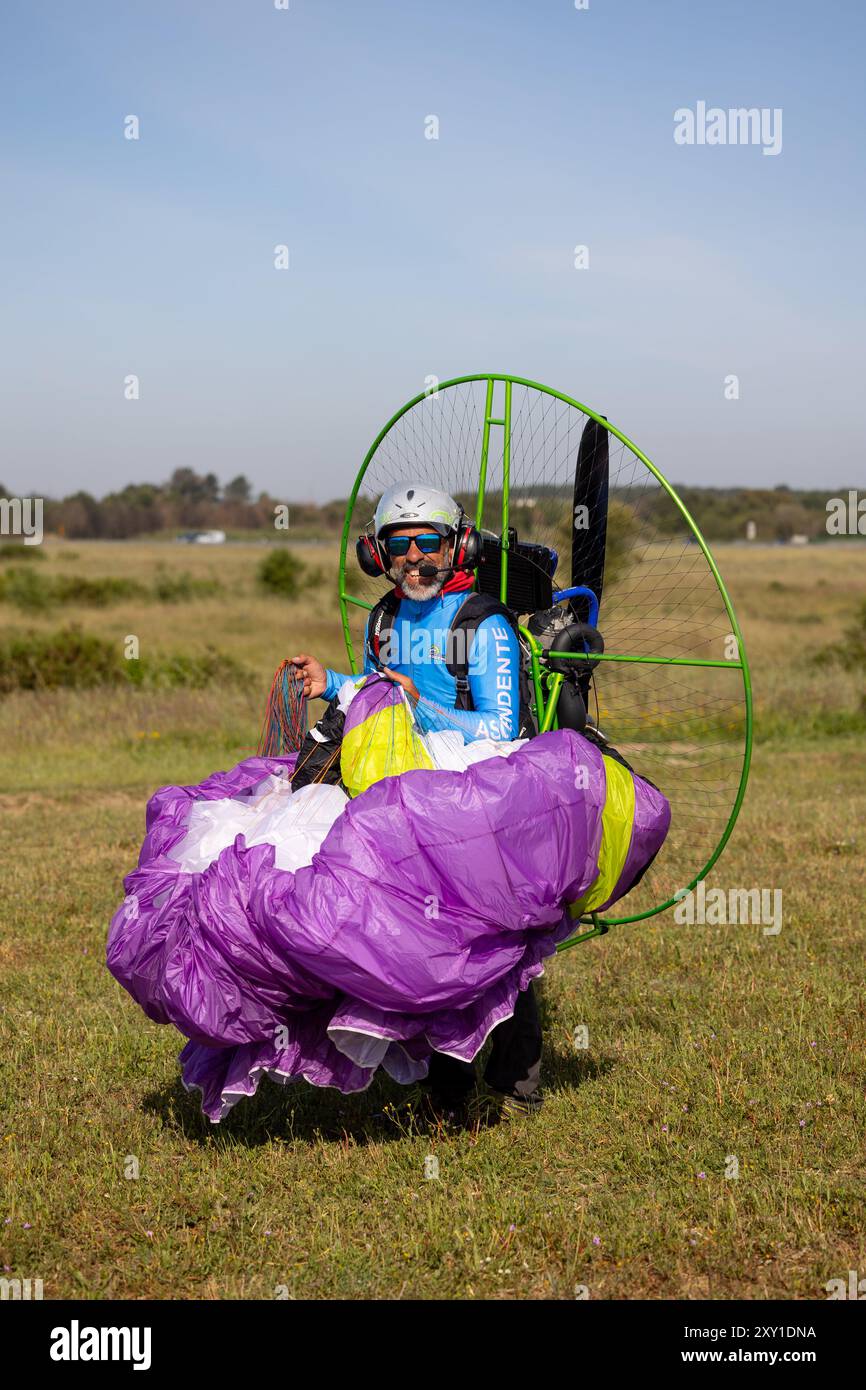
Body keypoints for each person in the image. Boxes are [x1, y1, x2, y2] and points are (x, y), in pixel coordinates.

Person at [291, 482, 543, 1121]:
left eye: (425, 543)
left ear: (456, 545)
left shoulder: (482, 625)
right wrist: (334, 685)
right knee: (413, 940)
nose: (413, 560)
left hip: (475, 793)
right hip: (401, 792)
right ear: (376, 554)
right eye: (397, 547)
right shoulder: (384, 617)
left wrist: (420, 706)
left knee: (487, 938)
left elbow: (501, 728)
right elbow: (381, 694)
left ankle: (516, 1083)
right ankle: (445, 1092)